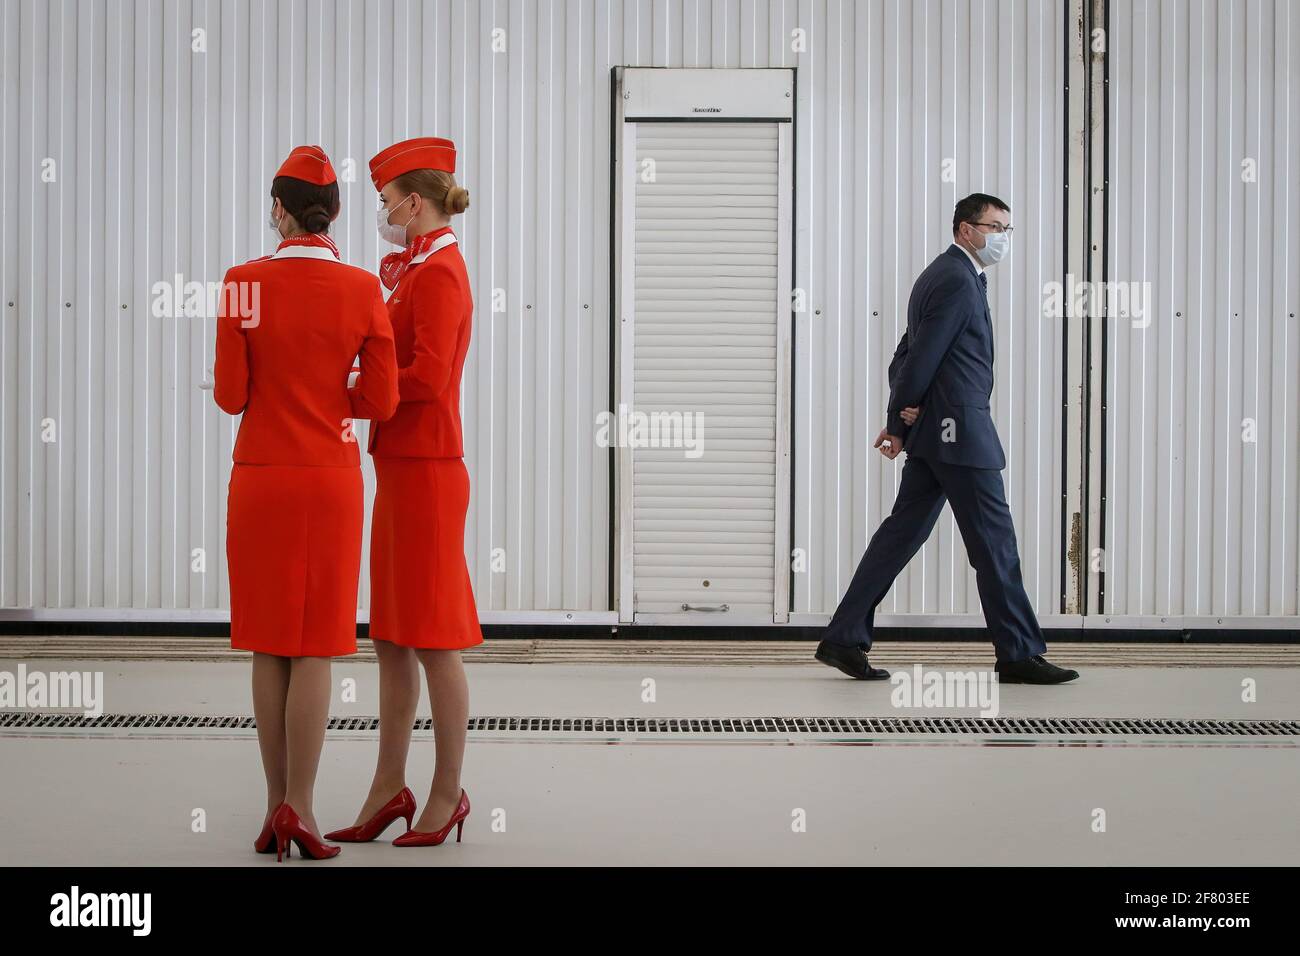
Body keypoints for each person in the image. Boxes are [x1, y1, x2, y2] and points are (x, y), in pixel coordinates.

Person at [214, 145, 400, 860]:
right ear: (337, 214)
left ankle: (272, 809)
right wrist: (332, 396)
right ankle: (304, 810)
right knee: (316, 646)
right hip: (330, 479)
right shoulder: (362, 291)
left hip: (261, 476)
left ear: (279, 210)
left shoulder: (240, 284)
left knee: (268, 642)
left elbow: (232, 396)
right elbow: (381, 398)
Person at [815, 193, 1078, 685]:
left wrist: (909, 412)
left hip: (938, 431)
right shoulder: (957, 279)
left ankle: (843, 637)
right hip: (960, 433)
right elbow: (919, 358)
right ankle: (1018, 654)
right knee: (994, 543)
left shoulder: (941, 275)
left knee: (900, 536)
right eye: (993, 226)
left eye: (1006, 228)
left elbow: (904, 355)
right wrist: (898, 421)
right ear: (964, 229)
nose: (1001, 236)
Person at [325, 136, 483, 848]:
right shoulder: (412, 269)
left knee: (434, 640)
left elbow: (425, 378)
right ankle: (388, 787)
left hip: (428, 470)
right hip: (400, 468)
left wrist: (342, 395)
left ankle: (448, 792)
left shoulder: (442, 271)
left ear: (413, 201)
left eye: (386, 200)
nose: (382, 212)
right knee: (391, 638)